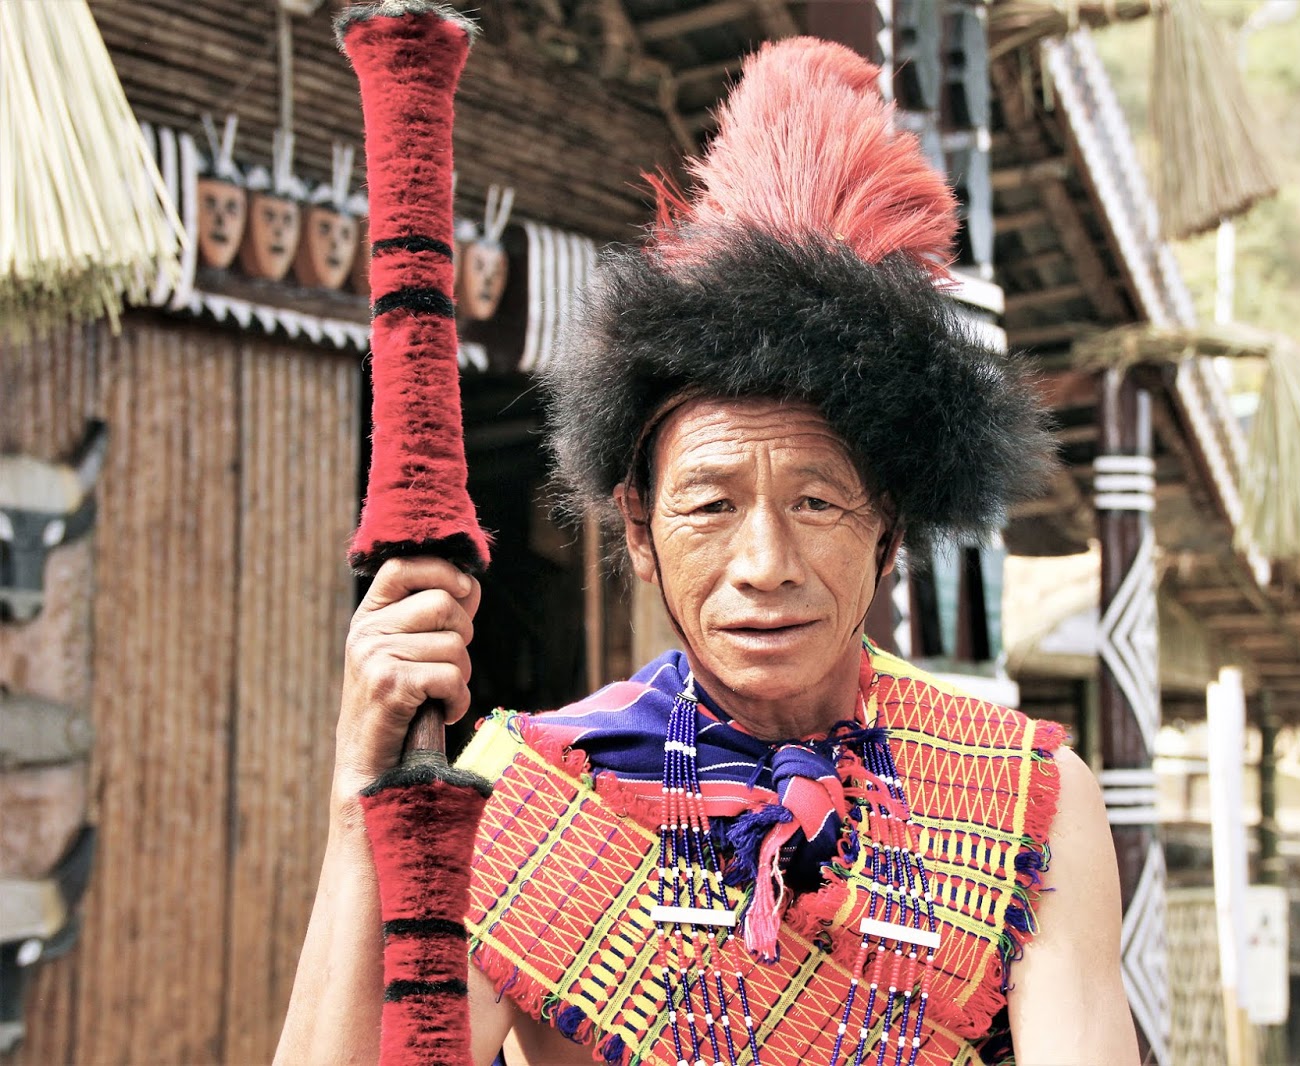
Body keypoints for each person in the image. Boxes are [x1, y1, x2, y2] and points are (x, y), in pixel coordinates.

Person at [275, 33, 1139, 1066]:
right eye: (710, 505)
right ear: (639, 532)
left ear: (888, 529)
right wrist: (355, 805)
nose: (763, 561)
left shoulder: (1023, 800)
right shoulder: (534, 794)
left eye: (816, 500)